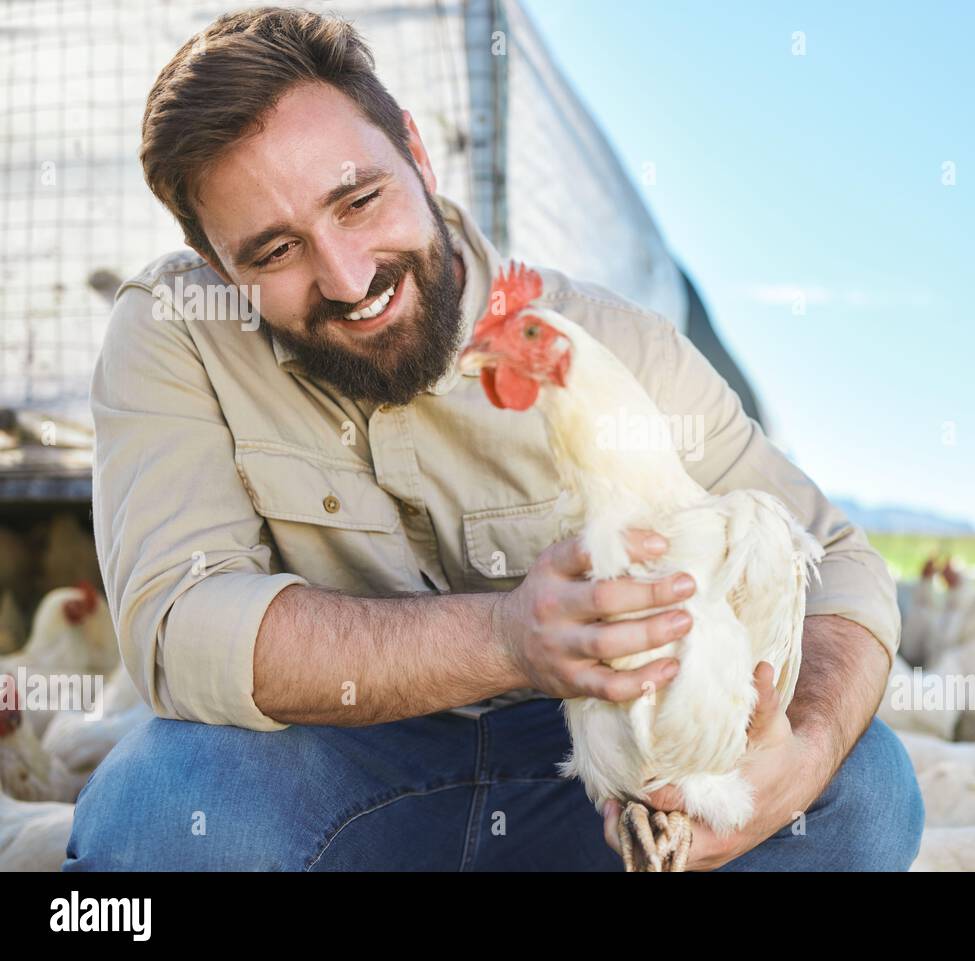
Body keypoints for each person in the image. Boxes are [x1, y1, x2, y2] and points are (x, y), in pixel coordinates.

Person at [65, 7, 920, 871]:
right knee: (163, 806)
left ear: (416, 152)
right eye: (277, 251)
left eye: (359, 200)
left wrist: (800, 757)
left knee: (866, 789)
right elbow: (180, 623)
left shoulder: (615, 344)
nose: (349, 277)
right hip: (331, 765)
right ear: (217, 268)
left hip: (596, 783)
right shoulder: (178, 331)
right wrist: (507, 637)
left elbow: (840, 562)